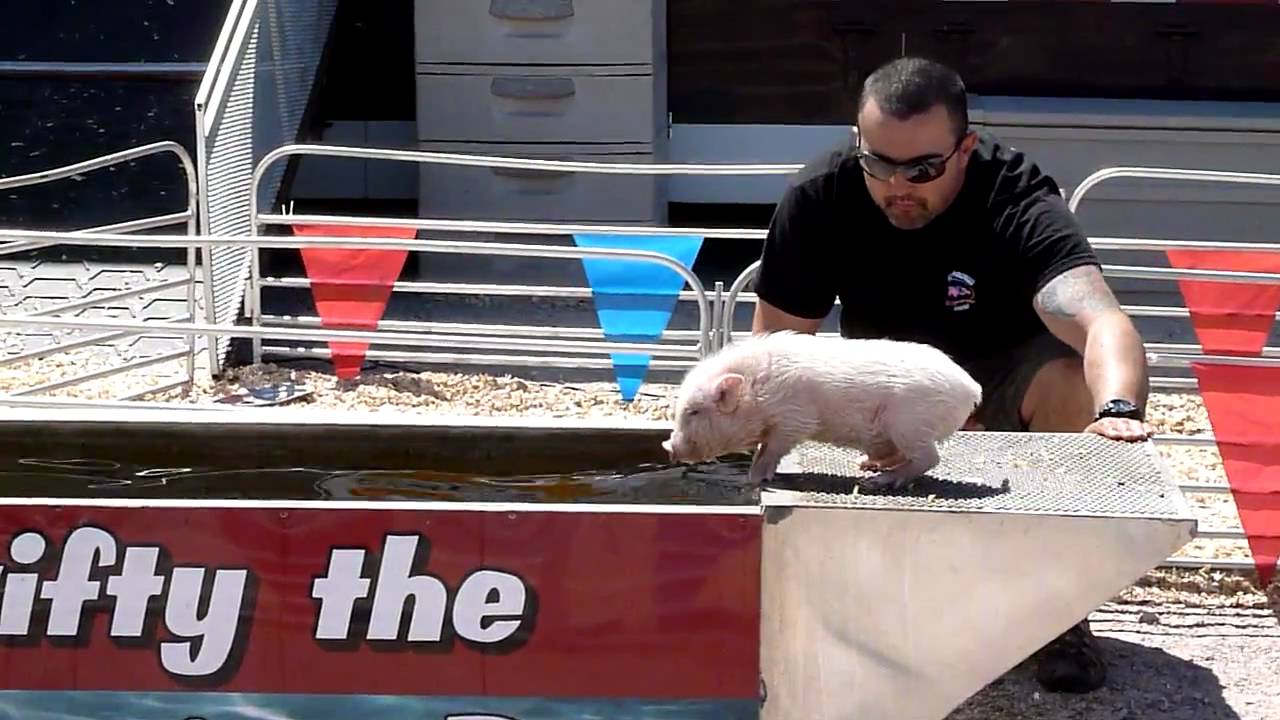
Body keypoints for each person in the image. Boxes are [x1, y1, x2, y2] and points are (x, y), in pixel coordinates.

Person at [750, 56, 1156, 694]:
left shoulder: (1013, 194)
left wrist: (1118, 414)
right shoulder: (821, 196)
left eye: (921, 169)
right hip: (890, 396)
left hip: (1004, 389)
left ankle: (1058, 614)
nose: (896, 185)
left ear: (965, 148)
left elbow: (1101, 323)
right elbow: (771, 350)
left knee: (1072, 382)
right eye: (877, 163)